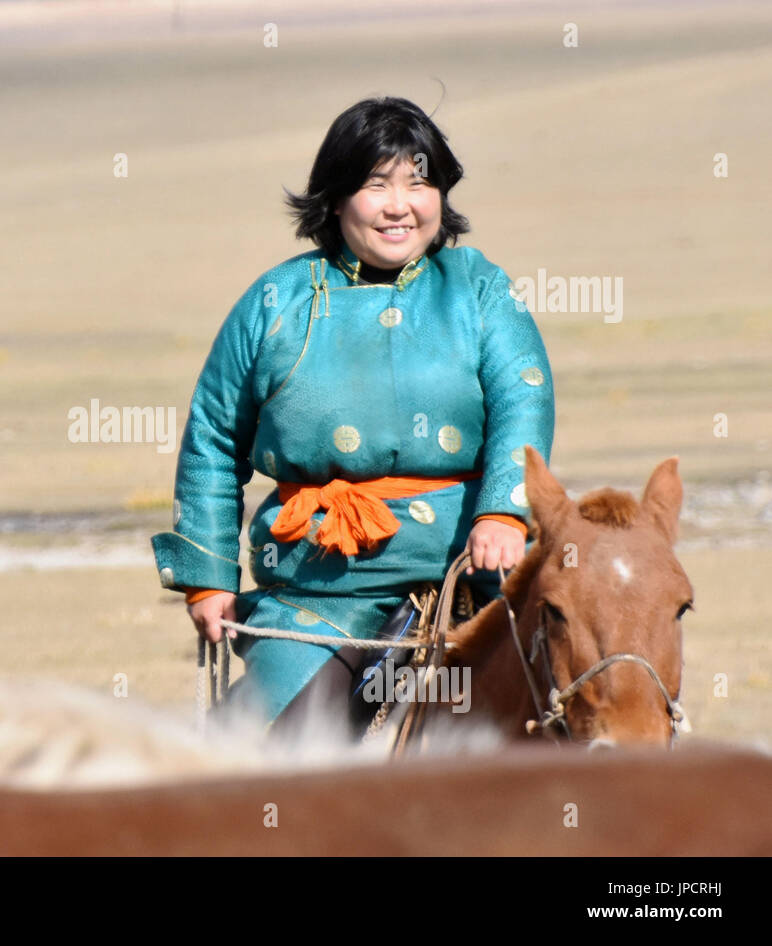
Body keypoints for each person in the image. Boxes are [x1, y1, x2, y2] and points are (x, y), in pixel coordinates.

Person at [151, 97, 555, 734]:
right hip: (318, 588)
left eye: (420, 182)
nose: (401, 205)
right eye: (376, 185)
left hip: (469, 569)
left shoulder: (478, 290)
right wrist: (207, 577)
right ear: (335, 198)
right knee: (269, 748)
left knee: (583, 697)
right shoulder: (276, 301)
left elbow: (523, 397)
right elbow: (212, 437)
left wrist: (504, 510)